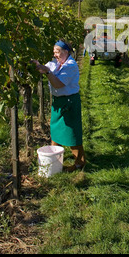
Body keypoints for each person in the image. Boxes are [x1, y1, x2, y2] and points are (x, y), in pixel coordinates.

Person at [32, 40, 85, 172]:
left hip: (69, 102)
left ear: (66, 52)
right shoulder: (55, 63)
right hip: (58, 102)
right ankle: (53, 160)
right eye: (54, 51)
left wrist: (48, 73)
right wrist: (35, 65)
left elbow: (58, 84)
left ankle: (80, 162)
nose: (55, 54)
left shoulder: (70, 65)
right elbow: (43, 68)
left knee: (72, 132)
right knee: (55, 130)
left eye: (58, 52)